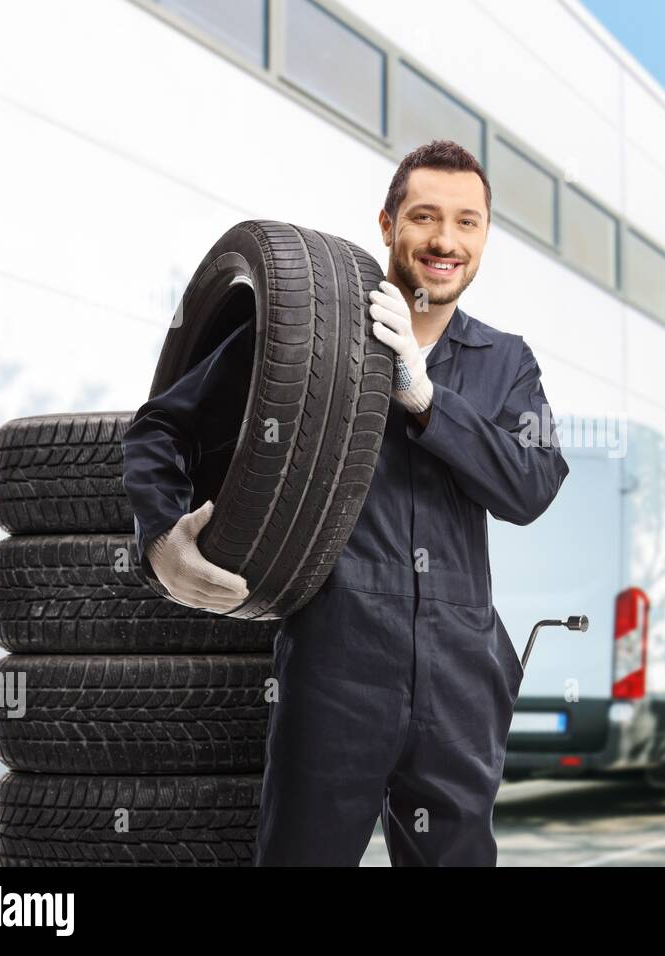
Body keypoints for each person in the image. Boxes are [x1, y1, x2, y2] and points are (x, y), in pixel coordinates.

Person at [120, 139, 570, 865]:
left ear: (486, 236)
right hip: (339, 657)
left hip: (462, 673)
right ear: (388, 224)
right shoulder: (307, 333)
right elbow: (160, 429)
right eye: (424, 217)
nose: (445, 241)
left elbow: (534, 483)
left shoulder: (508, 362)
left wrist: (426, 400)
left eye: (467, 222)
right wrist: (161, 542)